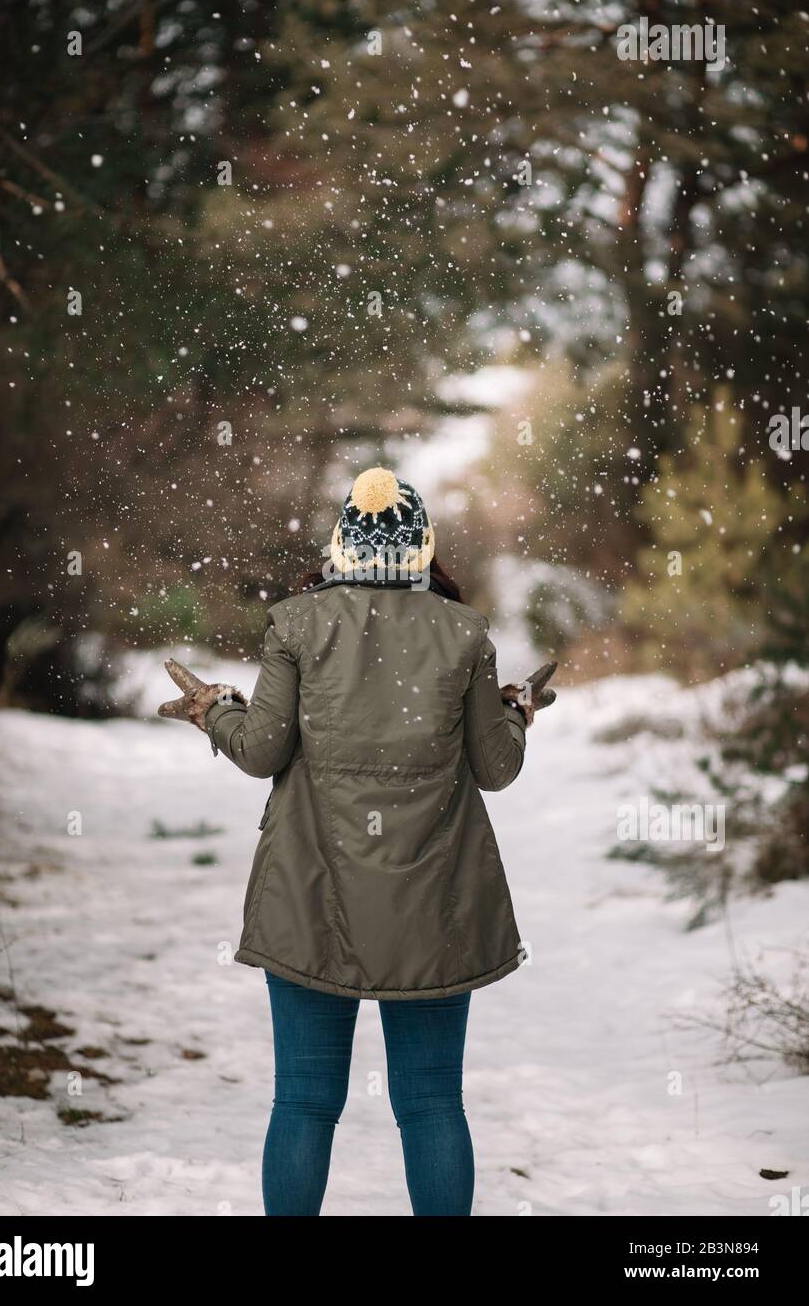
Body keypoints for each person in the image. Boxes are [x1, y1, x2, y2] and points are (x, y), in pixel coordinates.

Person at [158, 468, 556, 1216]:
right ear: (423, 548)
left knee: (305, 1102)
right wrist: (517, 712)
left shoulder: (296, 626)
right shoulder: (463, 634)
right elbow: (495, 768)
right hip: (431, 907)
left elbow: (261, 751)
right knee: (432, 1103)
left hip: (311, 898)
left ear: (341, 545)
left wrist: (214, 709)